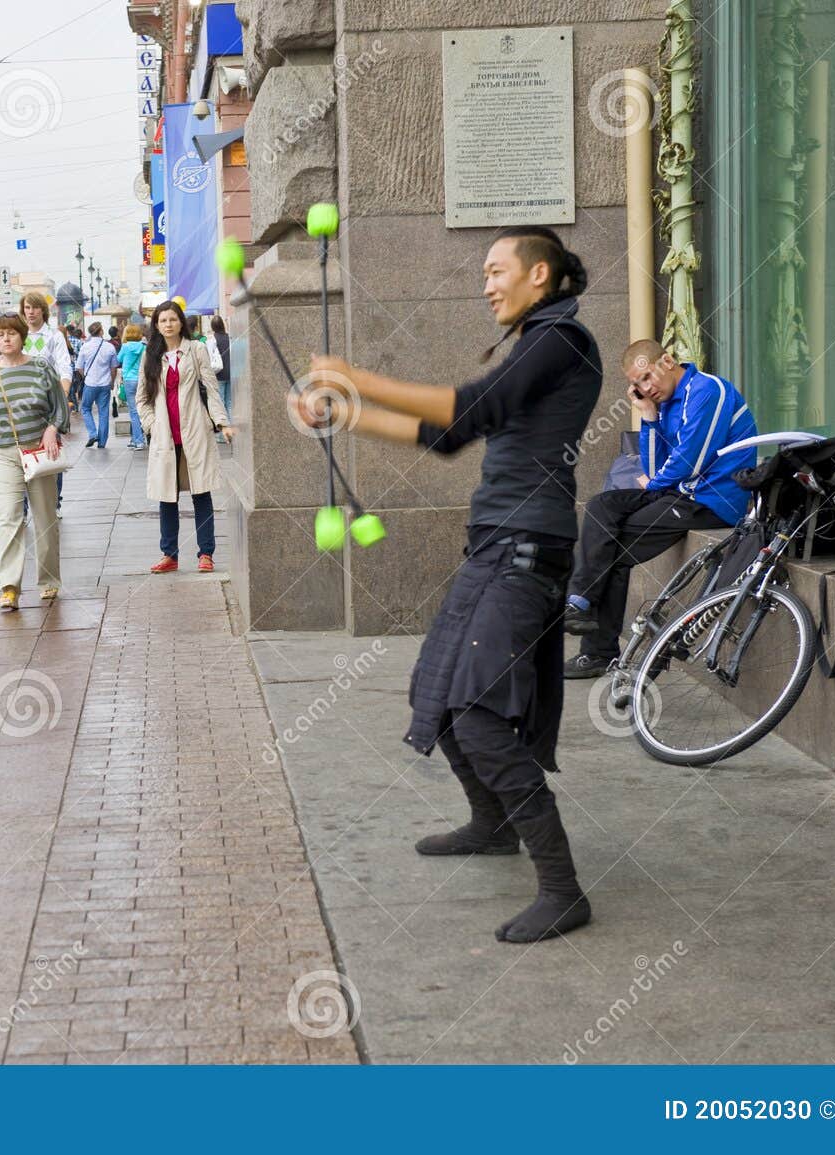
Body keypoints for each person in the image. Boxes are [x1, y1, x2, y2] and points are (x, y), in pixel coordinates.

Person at [298, 226, 600, 944]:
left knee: (480, 713)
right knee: (433, 690)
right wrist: (343, 414)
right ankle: (492, 822)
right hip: (495, 543)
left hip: (528, 550)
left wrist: (354, 376)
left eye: (497, 270)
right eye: (484, 274)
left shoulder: (565, 339)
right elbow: (452, 435)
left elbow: (470, 405)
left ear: (540, 273)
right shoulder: (534, 341)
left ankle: (563, 889)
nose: (487, 284)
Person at [563, 340, 758, 677]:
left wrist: (652, 486)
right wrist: (649, 418)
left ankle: (594, 643)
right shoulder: (663, 405)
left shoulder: (706, 391)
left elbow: (689, 464)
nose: (645, 388)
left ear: (667, 361)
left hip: (712, 500)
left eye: (647, 377)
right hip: (681, 494)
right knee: (601, 506)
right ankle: (579, 606)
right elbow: (655, 469)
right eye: (637, 385)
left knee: (611, 546)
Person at [0, 313, 68, 611]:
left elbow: (59, 407)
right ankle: (9, 586)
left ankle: (49, 580)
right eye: (0, 335)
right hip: (2, 453)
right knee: (9, 516)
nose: (6, 339)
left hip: (38, 452)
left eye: (11, 334)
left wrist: (52, 429)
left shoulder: (40, 367)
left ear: (22, 336)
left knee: (44, 517)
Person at [140, 300, 232, 575]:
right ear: (156, 325)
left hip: (194, 430)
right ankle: (170, 554)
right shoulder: (152, 355)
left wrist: (222, 422)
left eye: (172, 319)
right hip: (165, 435)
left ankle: (206, 553)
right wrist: (152, 425)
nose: (168, 324)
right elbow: (142, 398)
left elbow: (212, 390)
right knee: (166, 495)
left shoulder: (197, 350)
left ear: (181, 322)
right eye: (163, 320)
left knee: (201, 493)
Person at [21, 293, 72, 517]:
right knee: (20, 452)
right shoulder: (18, 336)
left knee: (51, 448)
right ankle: (21, 506)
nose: (30, 312)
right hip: (21, 402)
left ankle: (54, 501)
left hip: (48, 401)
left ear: (43, 310)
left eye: (34, 308)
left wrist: (62, 398)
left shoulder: (54, 336)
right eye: (27, 308)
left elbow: (64, 367)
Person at [77, 322, 117, 450]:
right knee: (103, 412)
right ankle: (102, 442)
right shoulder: (110, 347)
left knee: (85, 408)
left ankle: (93, 433)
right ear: (101, 332)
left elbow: (79, 367)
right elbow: (114, 367)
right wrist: (112, 381)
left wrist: (86, 376)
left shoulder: (85, 347)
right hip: (105, 383)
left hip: (90, 383)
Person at [117, 324, 147, 450]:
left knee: (133, 412)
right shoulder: (143, 346)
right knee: (141, 409)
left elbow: (118, 359)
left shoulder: (125, 347)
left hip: (129, 380)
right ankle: (136, 438)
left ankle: (139, 441)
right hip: (142, 379)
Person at [211, 316, 232, 417]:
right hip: (230, 373)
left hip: (218, 374)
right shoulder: (229, 337)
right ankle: (230, 427)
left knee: (221, 402)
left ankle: (224, 430)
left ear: (212, 326)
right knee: (229, 402)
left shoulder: (212, 339)